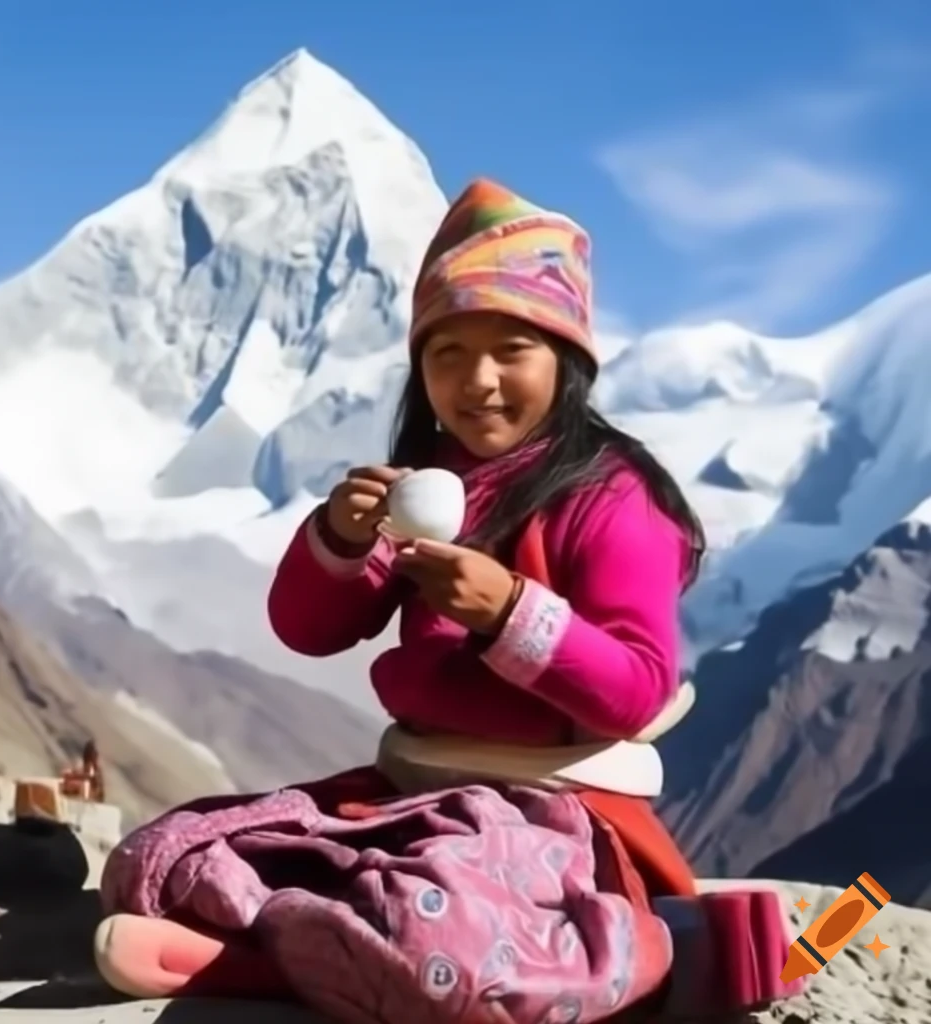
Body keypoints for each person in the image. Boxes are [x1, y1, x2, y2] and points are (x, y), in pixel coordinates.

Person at [93, 180, 797, 1019]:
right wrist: (342, 541)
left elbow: (638, 686)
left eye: (512, 350)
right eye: (448, 354)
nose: (479, 381)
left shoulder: (615, 498)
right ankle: (313, 945)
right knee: (159, 854)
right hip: (409, 802)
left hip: (553, 818)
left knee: (445, 940)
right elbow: (308, 631)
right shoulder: (432, 488)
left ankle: (658, 944)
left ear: (566, 362)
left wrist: (509, 613)